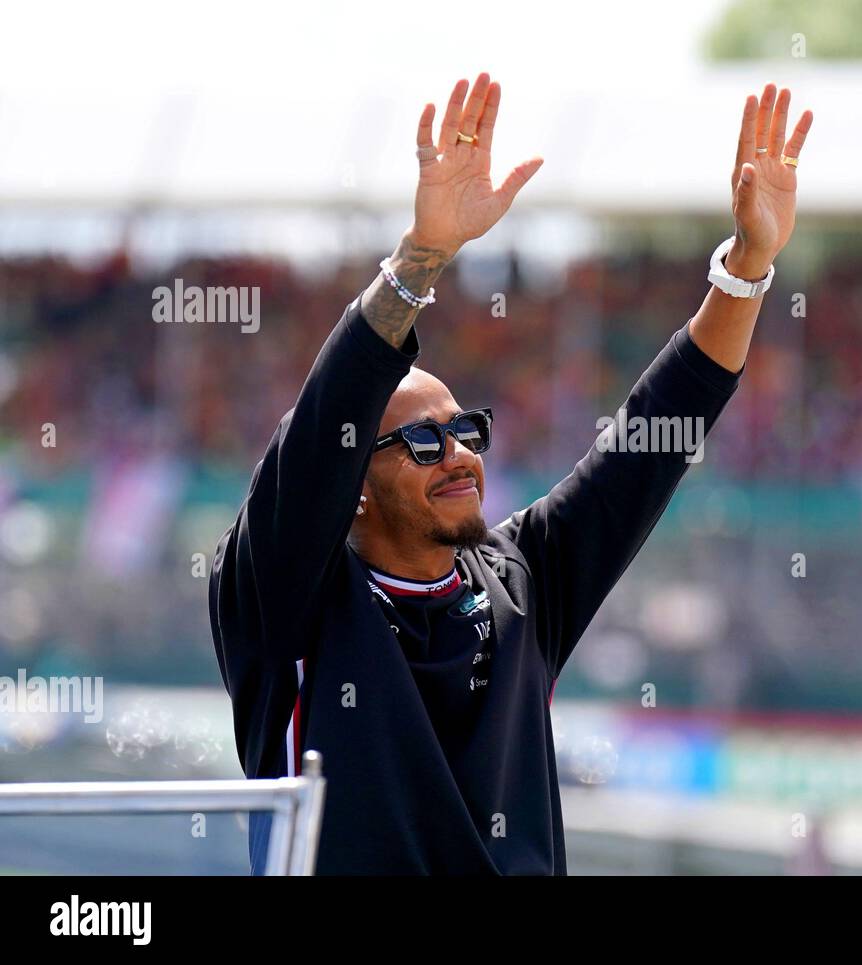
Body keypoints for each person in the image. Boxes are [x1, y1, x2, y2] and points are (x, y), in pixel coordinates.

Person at [209, 71, 813, 874]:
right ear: (352, 484)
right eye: (423, 443)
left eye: (465, 430)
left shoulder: (522, 580)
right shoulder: (285, 599)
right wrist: (422, 258)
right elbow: (324, 425)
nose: (459, 451)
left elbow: (655, 435)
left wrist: (747, 263)